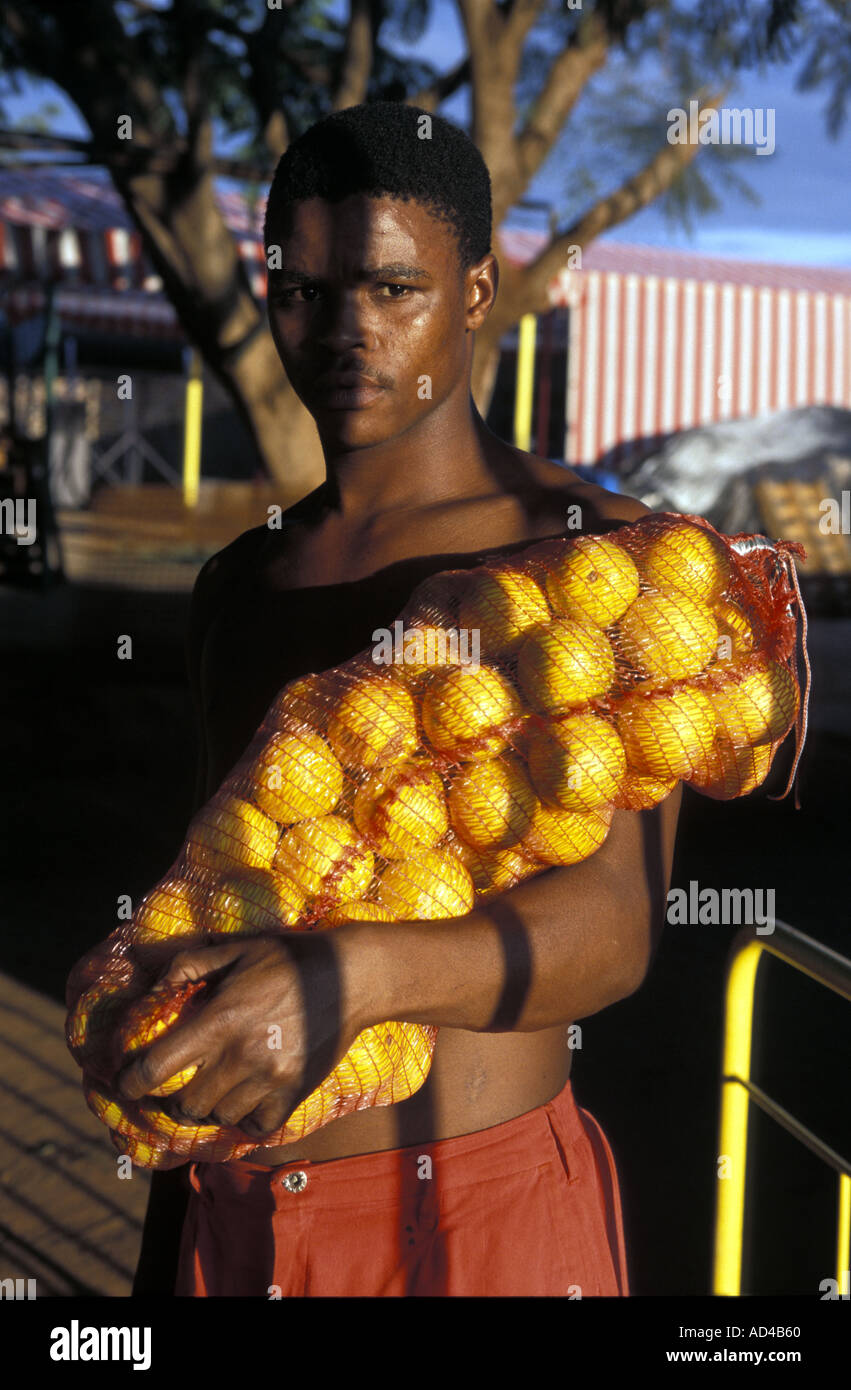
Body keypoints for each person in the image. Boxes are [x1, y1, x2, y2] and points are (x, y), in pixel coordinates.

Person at [126, 102, 681, 1297]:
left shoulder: (582, 556)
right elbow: (219, 913)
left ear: (476, 292)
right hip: (238, 1215)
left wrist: (348, 981)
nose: (343, 333)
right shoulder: (239, 586)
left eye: (391, 290)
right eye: (303, 292)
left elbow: (614, 928)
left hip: (479, 1223)